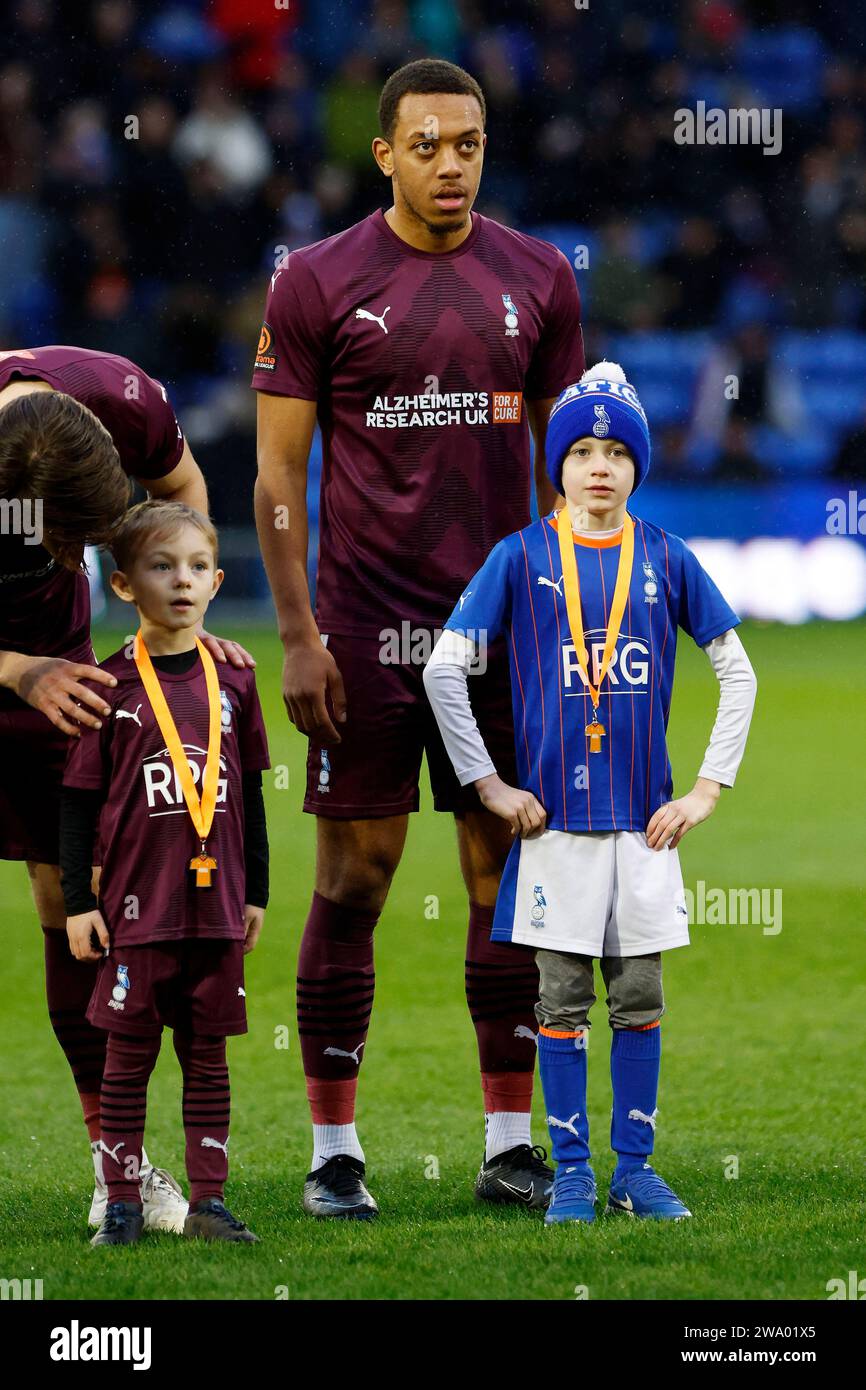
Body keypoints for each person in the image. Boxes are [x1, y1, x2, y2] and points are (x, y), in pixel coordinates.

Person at [252, 58, 585, 1217]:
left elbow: (568, 466)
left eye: (469, 143)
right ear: (384, 153)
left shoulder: (539, 278)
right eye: (428, 144)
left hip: (503, 631)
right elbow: (279, 477)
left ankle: (506, 1143)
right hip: (362, 627)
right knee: (356, 876)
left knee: (503, 877)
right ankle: (332, 1153)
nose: (451, 163)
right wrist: (296, 632)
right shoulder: (317, 282)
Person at [424, 362, 757, 1223]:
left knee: (639, 999)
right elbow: (443, 669)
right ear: (558, 465)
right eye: (582, 451)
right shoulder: (521, 556)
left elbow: (739, 673)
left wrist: (707, 792)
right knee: (562, 1003)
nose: (599, 466)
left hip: (646, 832)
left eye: (617, 451)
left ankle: (634, 1172)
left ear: (638, 467)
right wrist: (487, 783)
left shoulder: (666, 557)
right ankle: (572, 1171)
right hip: (556, 831)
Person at [0, 346, 255, 1231]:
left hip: (57, 674)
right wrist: (14, 668)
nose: (68, 553)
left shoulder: (122, 394)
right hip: (21, 665)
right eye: (56, 541)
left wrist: (180, 623)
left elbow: (184, 502)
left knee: (66, 893)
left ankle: (120, 1168)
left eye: (82, 539)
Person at [60, 500, 270, 1246]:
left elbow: (247, 795)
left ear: (216, 581)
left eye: (196, 567)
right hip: (134, 913)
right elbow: (79, 806)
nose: (182, 582)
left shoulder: (237, 683)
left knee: (207, 1058)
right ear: (122, 585)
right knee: (127, 1062)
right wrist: (79, 903)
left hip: (216, 910)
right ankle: (120, 1201)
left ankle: (208, 1203)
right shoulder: (106, 686)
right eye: (160, 566)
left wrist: (259, 894)